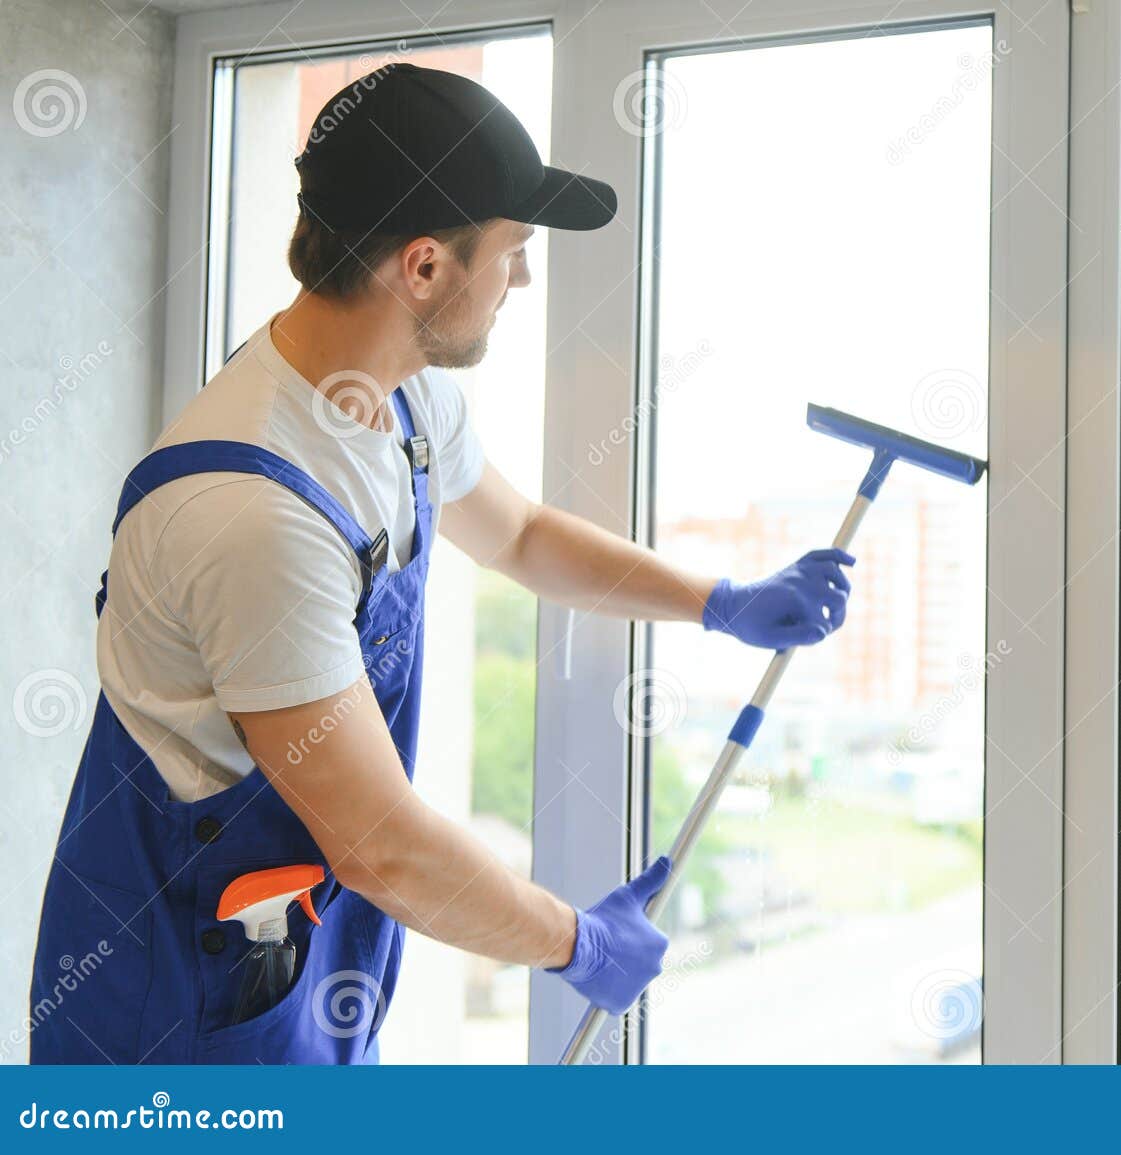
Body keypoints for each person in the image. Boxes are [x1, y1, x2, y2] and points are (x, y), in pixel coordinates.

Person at [29, 64, 853, 1064]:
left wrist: (717, 602)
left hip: (295, 958)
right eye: (510, 251)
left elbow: (518, 535)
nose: (523, 280)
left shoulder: (404, 402)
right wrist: (574, 942)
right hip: (174, 1016)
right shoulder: (255, 514)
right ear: (423, 268)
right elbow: (381, 843)